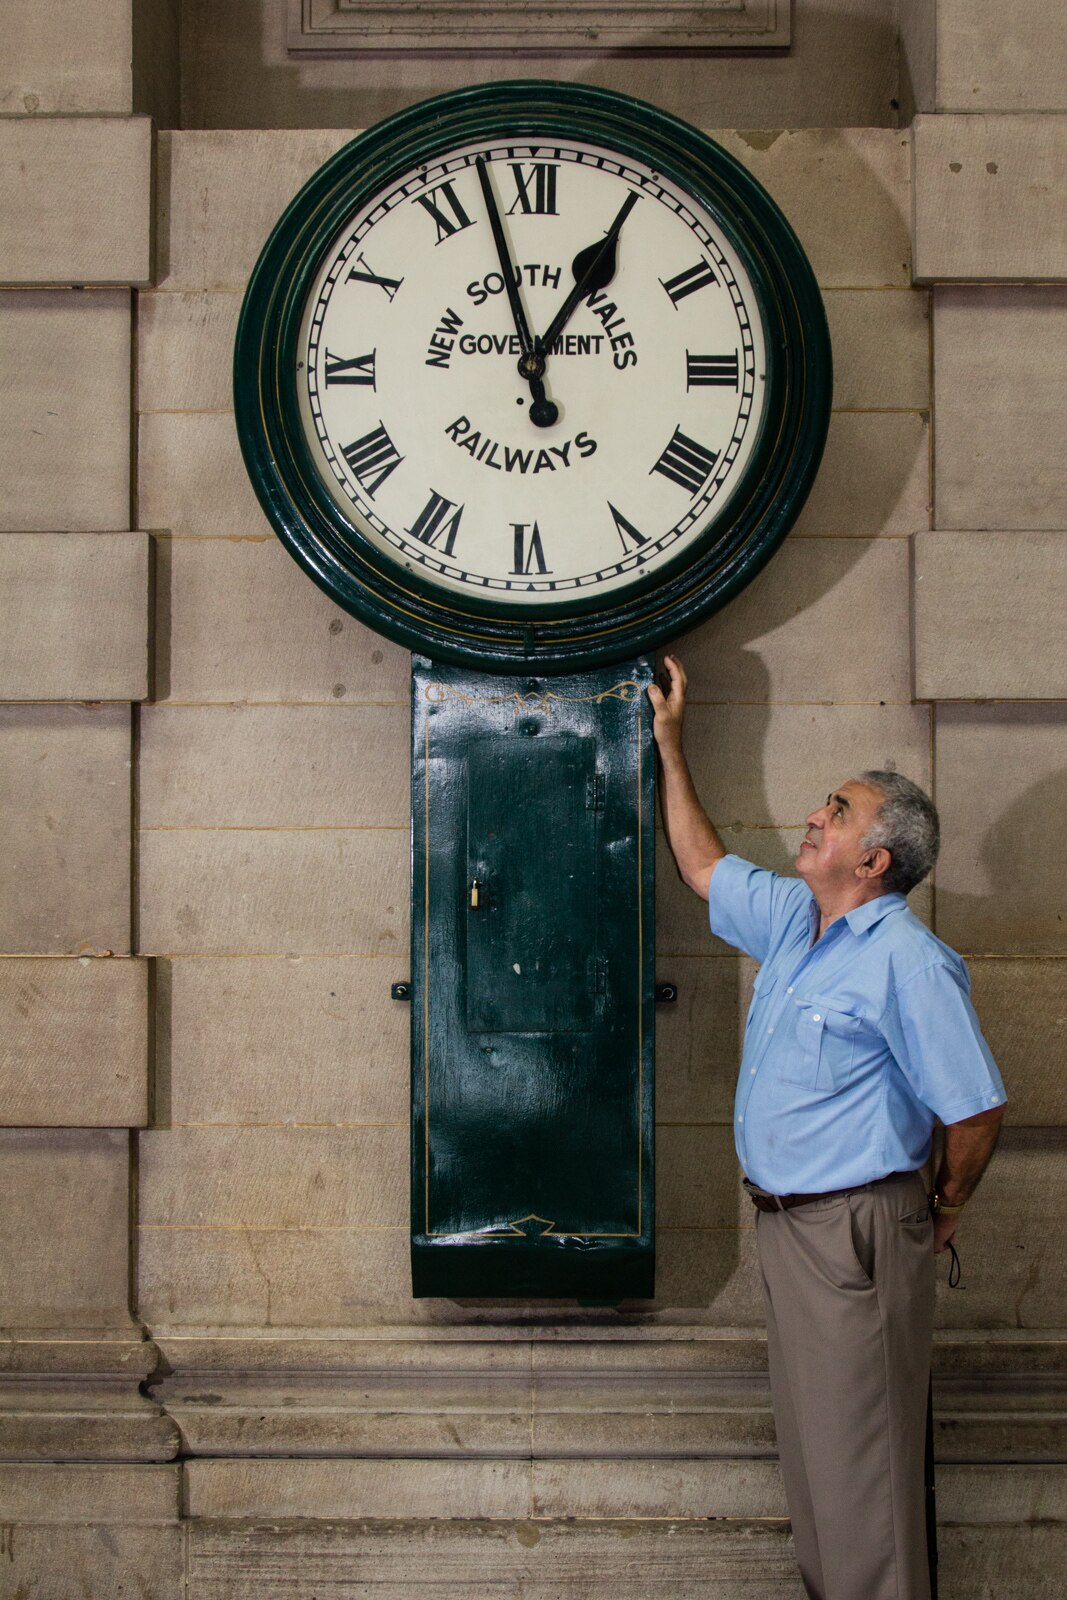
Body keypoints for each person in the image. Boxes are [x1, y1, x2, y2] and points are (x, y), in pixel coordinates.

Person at [648, 654, 1006, 1600]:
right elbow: (700, 864)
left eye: (835, 813)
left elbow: (973, 1106)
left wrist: (942, 1204)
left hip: (855, 1228)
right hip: (788, 1227)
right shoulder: (795, 919)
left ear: (874, 861)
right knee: (818, 1469)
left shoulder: (907, 962)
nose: (815, 816)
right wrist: (668, 744)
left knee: (862, 1478)